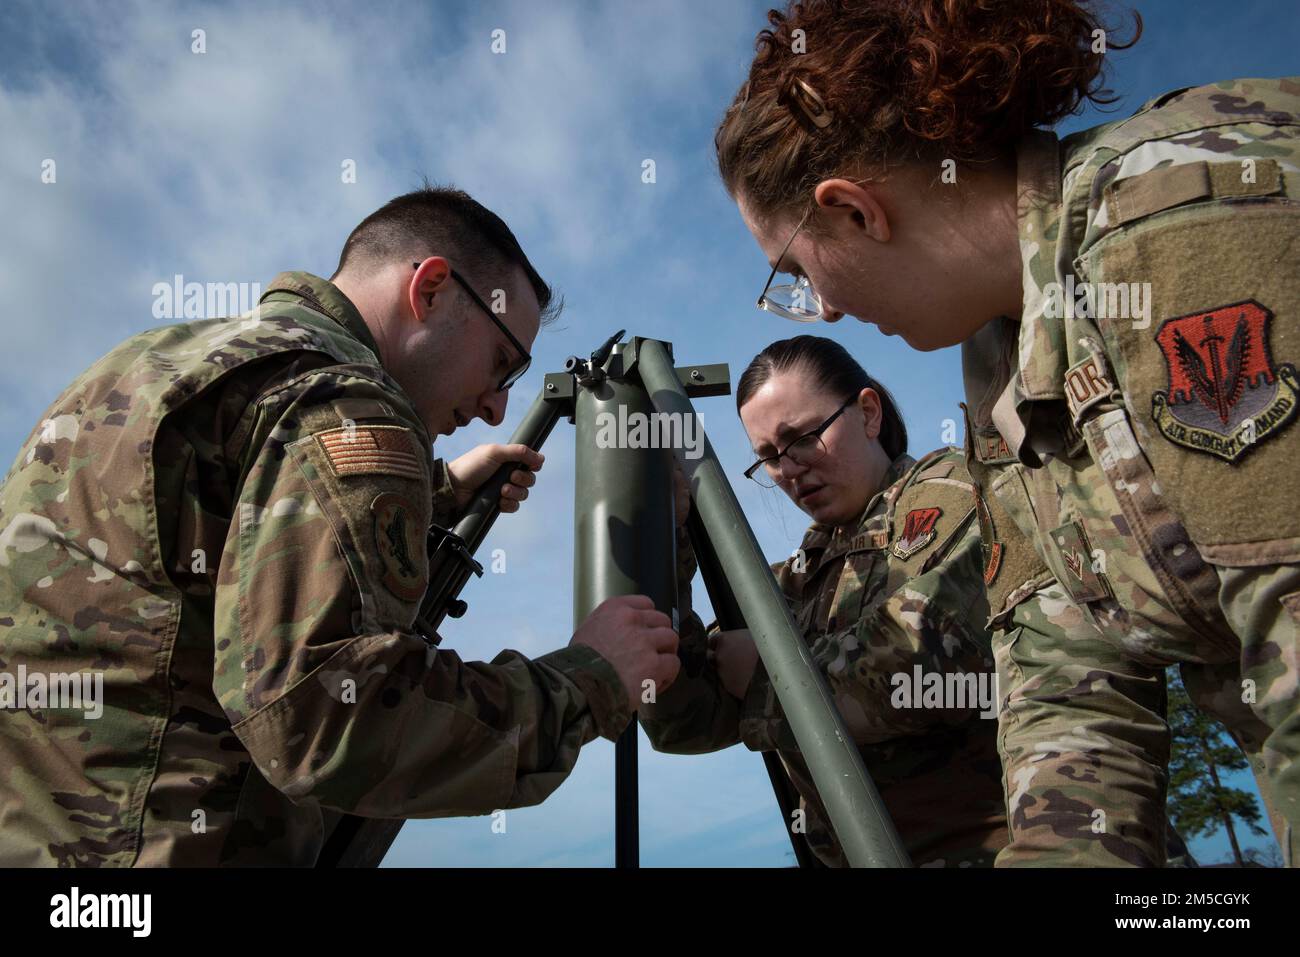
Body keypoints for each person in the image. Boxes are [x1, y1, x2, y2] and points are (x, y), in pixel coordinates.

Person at [711, 0, 1298, 865]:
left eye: (796, 271)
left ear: (854, 212)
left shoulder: (1167, 221)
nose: (824, 306)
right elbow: (1070, 685)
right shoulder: (1004, 359)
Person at [0, 186, 680, 866]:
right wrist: (584, 680)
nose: (498, 407)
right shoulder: (348, 399)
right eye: (502, 364)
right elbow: (321, 718)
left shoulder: (147, 365)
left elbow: (183, 537)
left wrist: (434, 492)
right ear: (433, 288)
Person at [642, 335, 1009, 867]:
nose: (788, 470)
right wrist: (664, 550)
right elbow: (684, 720)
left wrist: (769, 677)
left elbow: (935, 653)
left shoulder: (956, 496)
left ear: (867, 412)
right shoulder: (790, 584)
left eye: (803, 439)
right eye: (767, 457)